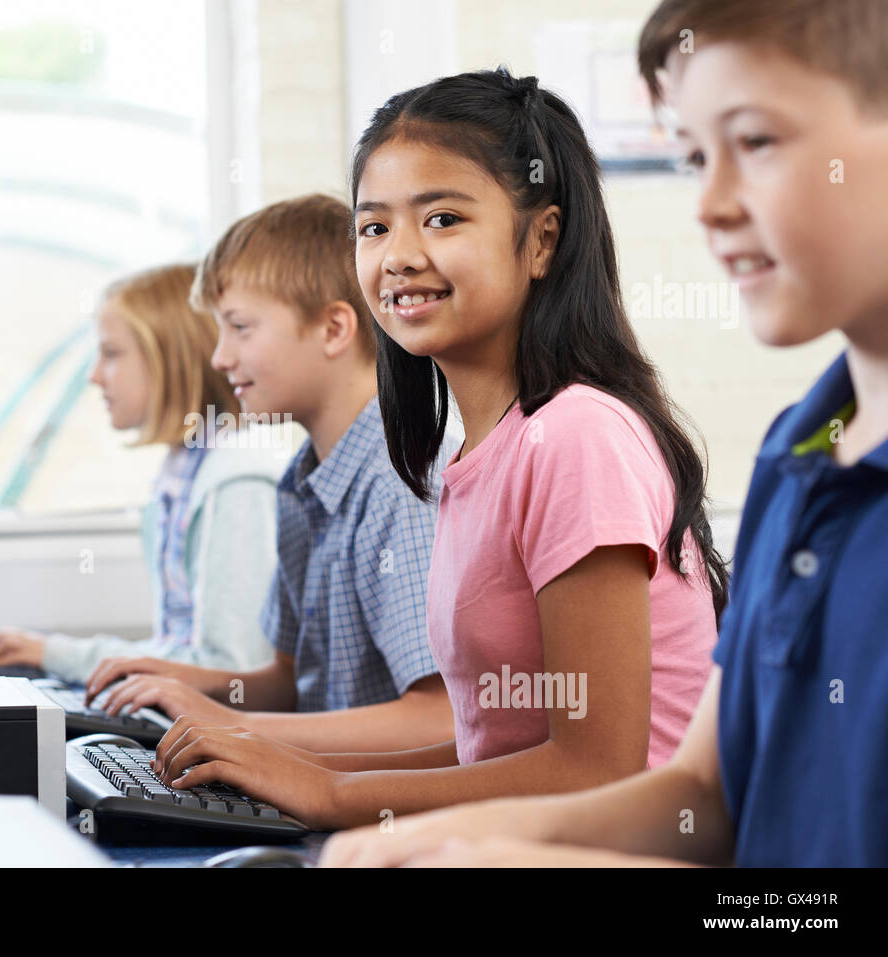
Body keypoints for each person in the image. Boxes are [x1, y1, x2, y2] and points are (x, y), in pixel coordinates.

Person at [322, 0, 888, 865]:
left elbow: (602, 768)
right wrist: (421, 838)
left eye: (758, 142)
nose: (710, 203)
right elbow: (704, 796)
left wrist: (486, 847)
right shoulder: (798, 453)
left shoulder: (578, 434)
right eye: (698, 156)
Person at [142, 69, 725, 832]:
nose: (399, 255)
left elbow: (595, 767)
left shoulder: (577, 436)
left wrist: (335, 794)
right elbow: (487, 749)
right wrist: (288, 765)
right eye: (374, 226)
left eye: (443, 219)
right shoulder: (472, 455)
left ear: (542, 240)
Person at [84, 194, 454, 754]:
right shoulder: (302, 483)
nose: (219, 358)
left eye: (239, 328)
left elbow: (439, 720)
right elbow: (290, 683)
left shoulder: (400, 480)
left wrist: (236, 731)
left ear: (333, 330)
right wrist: (178, 682)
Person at [0, 263, 286, 683]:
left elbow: (233, 671)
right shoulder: (183, 471)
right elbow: (180, 646)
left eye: (111, 354)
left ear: (170, 358)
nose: (94, 375)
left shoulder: (236, 481)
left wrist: (60, 655)